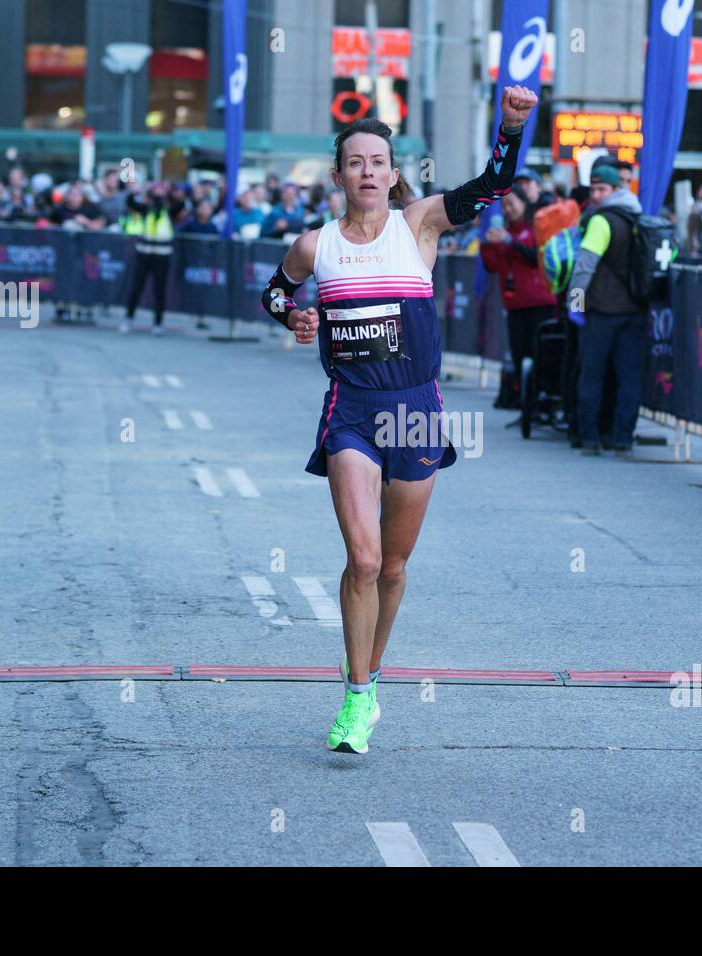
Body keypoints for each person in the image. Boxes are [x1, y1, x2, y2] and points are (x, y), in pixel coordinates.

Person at [260, 86, 538, 754]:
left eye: (376, 161)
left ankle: (371, 670)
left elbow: (495, 184)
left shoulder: (420, 224)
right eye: (354, 162)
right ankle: (357, 698)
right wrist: (292, 315)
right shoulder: (314, 245)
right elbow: (274, 290)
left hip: (415, 412)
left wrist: (510, 128)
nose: (366, 172)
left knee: (391, 567)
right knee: (361, 557)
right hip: (351, 411)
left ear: (390, 172)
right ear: (339, 176)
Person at [567, 163, 648, 455]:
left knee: (592, 375)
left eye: (602, 189)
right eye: (594, 189)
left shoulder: (601, 221)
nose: (597, 195)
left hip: (602, 311)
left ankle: (589, 437)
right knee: (629, 378)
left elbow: (584, 267)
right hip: (636, 310)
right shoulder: (640, 216)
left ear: (616, 190)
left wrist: (574, 303)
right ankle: (623, 437)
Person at [480, 191, 558, 408]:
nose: (508, 209)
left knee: (541, 355)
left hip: (541, 303)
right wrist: (487, 244)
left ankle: (542, 399)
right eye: (504, 205)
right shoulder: (503, 231)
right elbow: (492, 266)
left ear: (524, 204)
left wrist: (509, 241)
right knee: (519, 354)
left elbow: (537, 258)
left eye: (512, 204)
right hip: (515, 306)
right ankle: (525, 401)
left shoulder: (535, 227)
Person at [120, 182, 176, 335]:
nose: (158, 193)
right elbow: (131, 203)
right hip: (144, 255)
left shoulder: (169, 211)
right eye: (156, 190)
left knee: (159, 291)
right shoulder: (146, 209)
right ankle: (128, 319)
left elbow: (181, 204)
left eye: (160, 191)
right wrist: (137, 192)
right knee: (136, 288)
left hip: (162, 257)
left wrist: (168, 192)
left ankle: (158, 323)